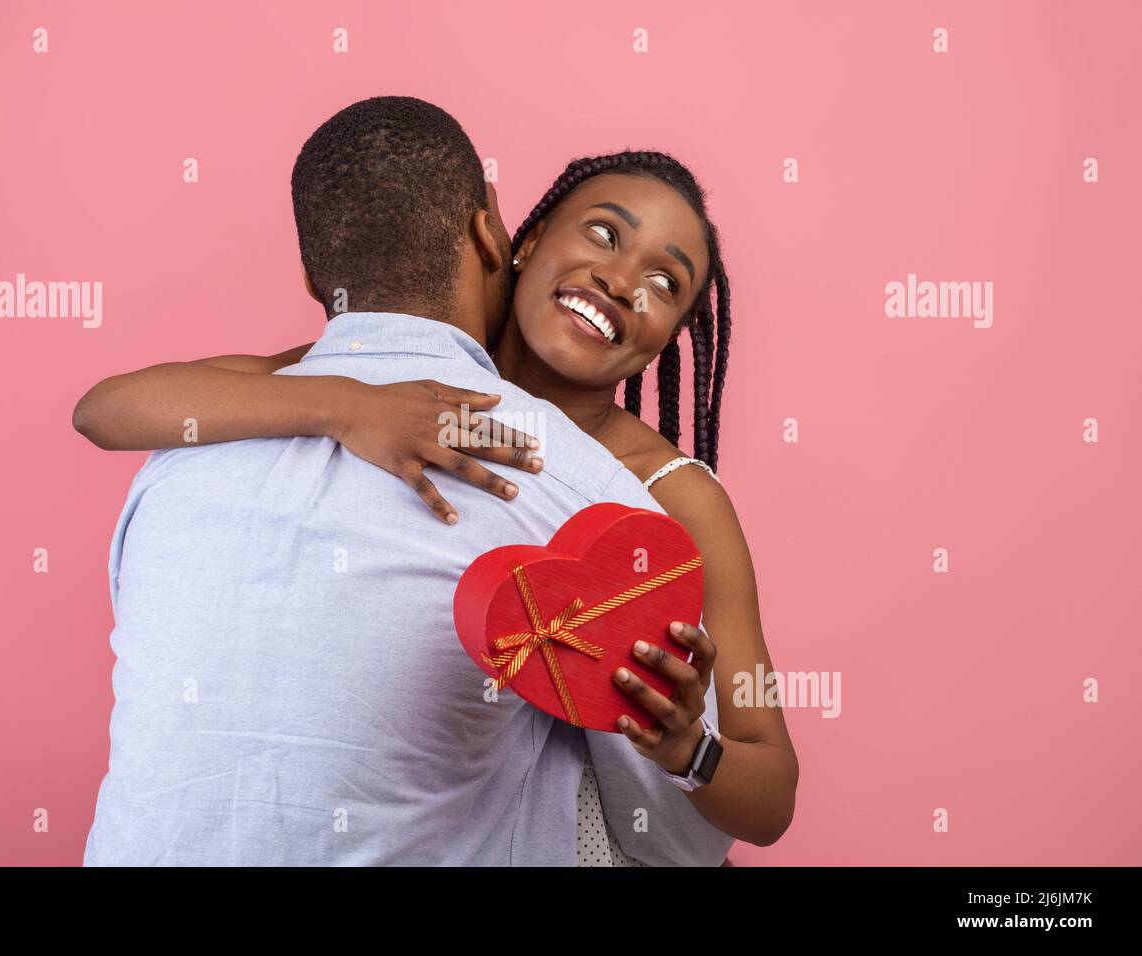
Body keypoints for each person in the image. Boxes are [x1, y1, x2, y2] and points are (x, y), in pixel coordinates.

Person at [80, 95, 795, 866]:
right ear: (511, 237)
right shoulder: (381, 386)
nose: (624, 281)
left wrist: (689, 747)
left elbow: (768, 785)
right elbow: (107, 407)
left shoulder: (662, 496)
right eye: (604, 233)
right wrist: (352, 409)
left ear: (670, 336)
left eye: (665, 282)